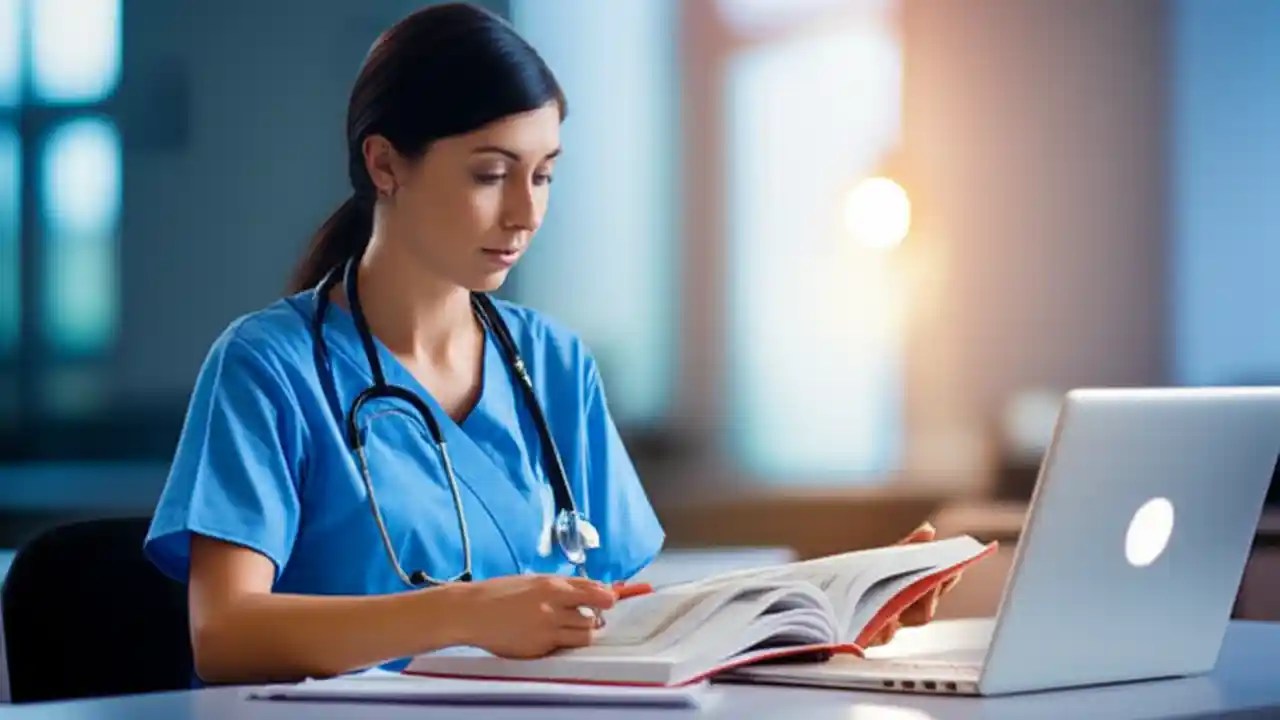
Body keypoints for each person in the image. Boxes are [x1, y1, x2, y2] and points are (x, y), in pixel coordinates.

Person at [143, 2, 952, 685]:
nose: (526, 215)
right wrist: (465, 613)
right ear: (385, 164)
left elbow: (623, 616)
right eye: (491, 174)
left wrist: (827, 611)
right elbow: (227, 638)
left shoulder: (554, 364)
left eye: (545, 174)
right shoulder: (270, 369)